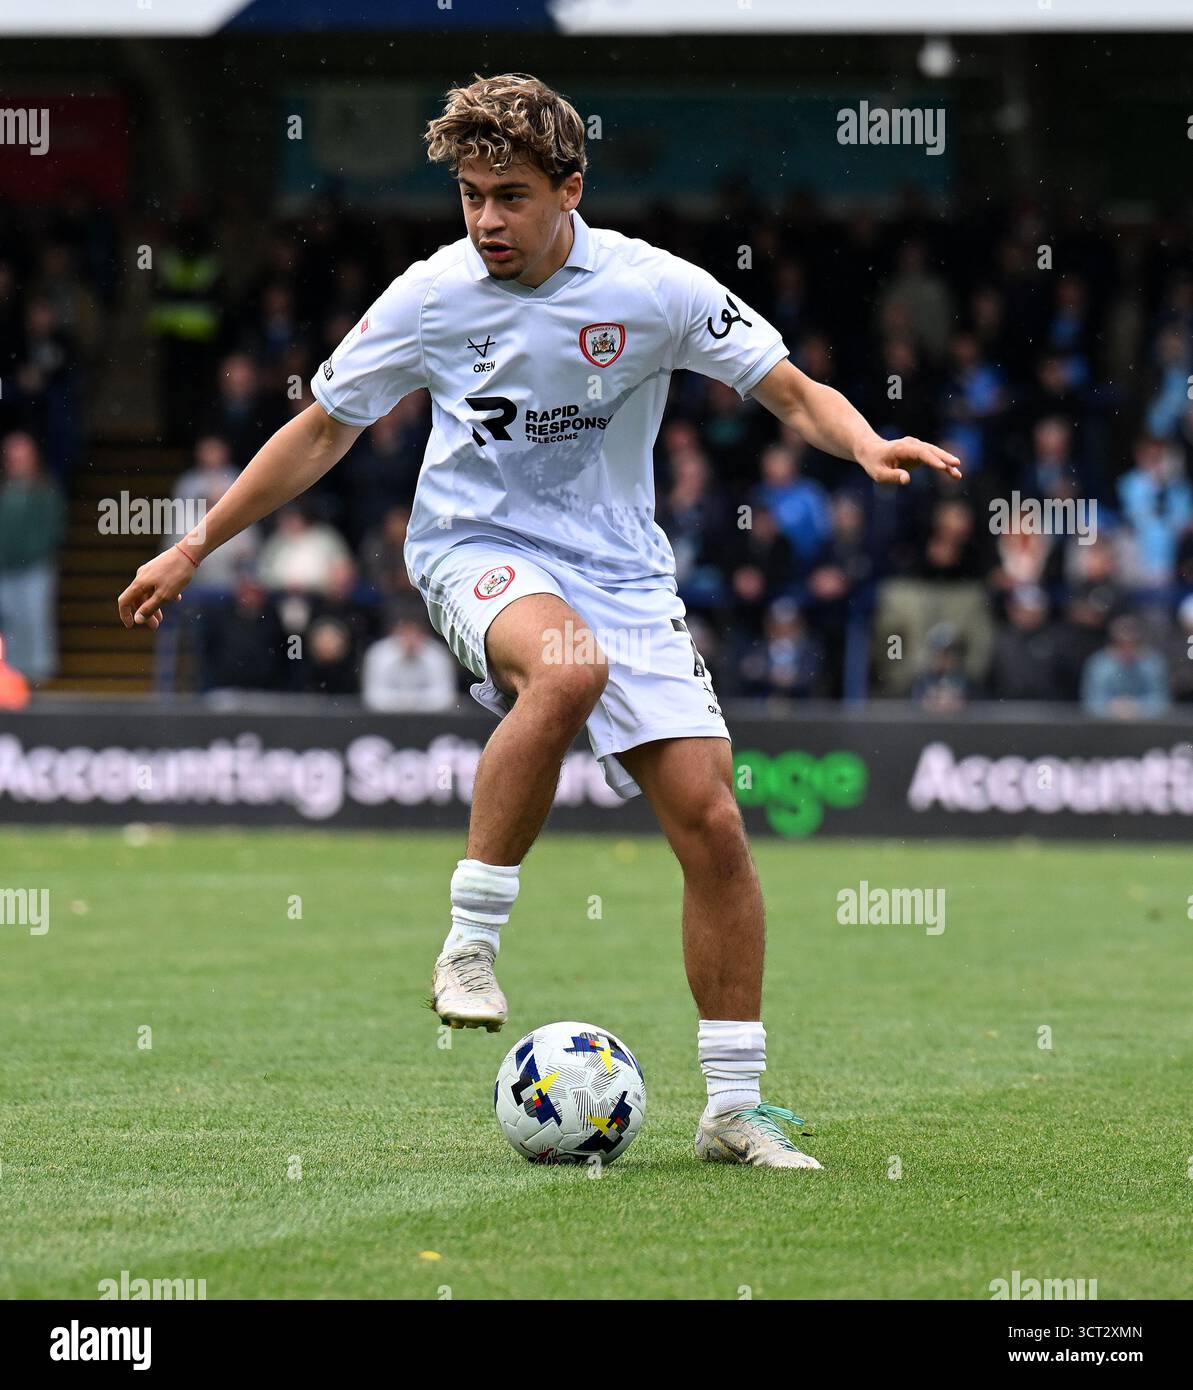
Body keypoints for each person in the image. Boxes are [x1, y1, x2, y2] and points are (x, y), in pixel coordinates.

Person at [117, 74, 960, 1172]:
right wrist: (195, 543)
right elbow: (322, 429)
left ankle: (732, 1108)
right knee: (563, 670)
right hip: (473, 550)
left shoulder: (652, 288)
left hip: (619, 572)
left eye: (509, 196)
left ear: (572, 189)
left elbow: (787, 389)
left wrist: (862, 445)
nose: (485, 222)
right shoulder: (433, 295)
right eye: (468, 196)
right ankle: (468, 944)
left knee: (711, 820)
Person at [0, 431, 66, 682]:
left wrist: (35, 553)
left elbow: (52, 529)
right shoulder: (4, 490)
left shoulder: (45, 490)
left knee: (35, 618)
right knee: (11, 620)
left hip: (36, 567)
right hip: (6, 567)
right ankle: (14, 675)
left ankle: (38, 675)